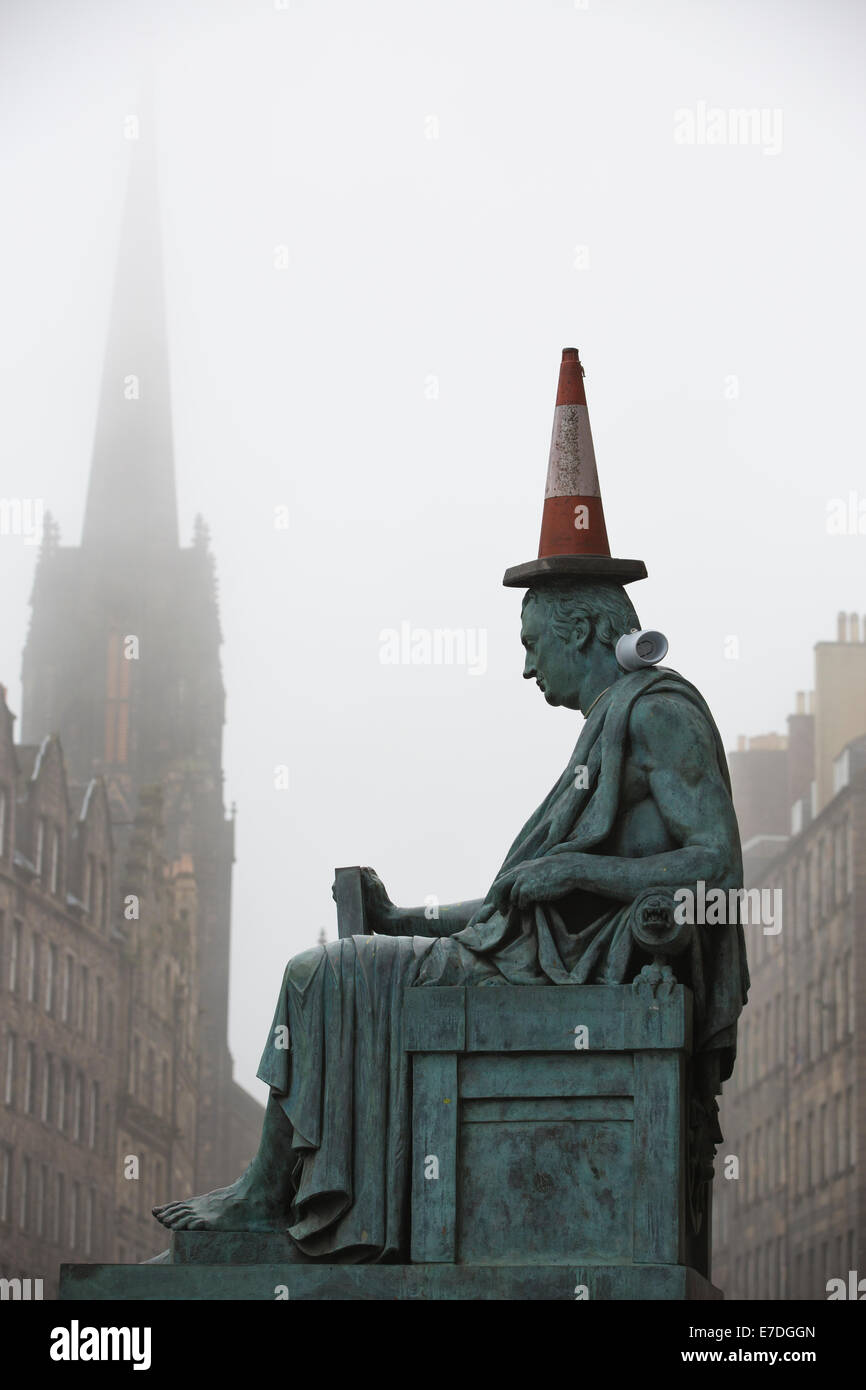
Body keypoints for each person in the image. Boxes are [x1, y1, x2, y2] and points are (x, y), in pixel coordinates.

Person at [153, 578, 749, 1260]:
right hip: (533, 966)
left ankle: (266, 1196)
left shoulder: (657, 712)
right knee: (340, 967)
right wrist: (399, 918)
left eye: (532, 644)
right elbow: (512, 909)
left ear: (581, 630)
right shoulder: (612, 722)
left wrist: (579, 871)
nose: (528, 668)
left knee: (317, 973)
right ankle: (286, 1194)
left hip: (562, 982)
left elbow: (719, 863)